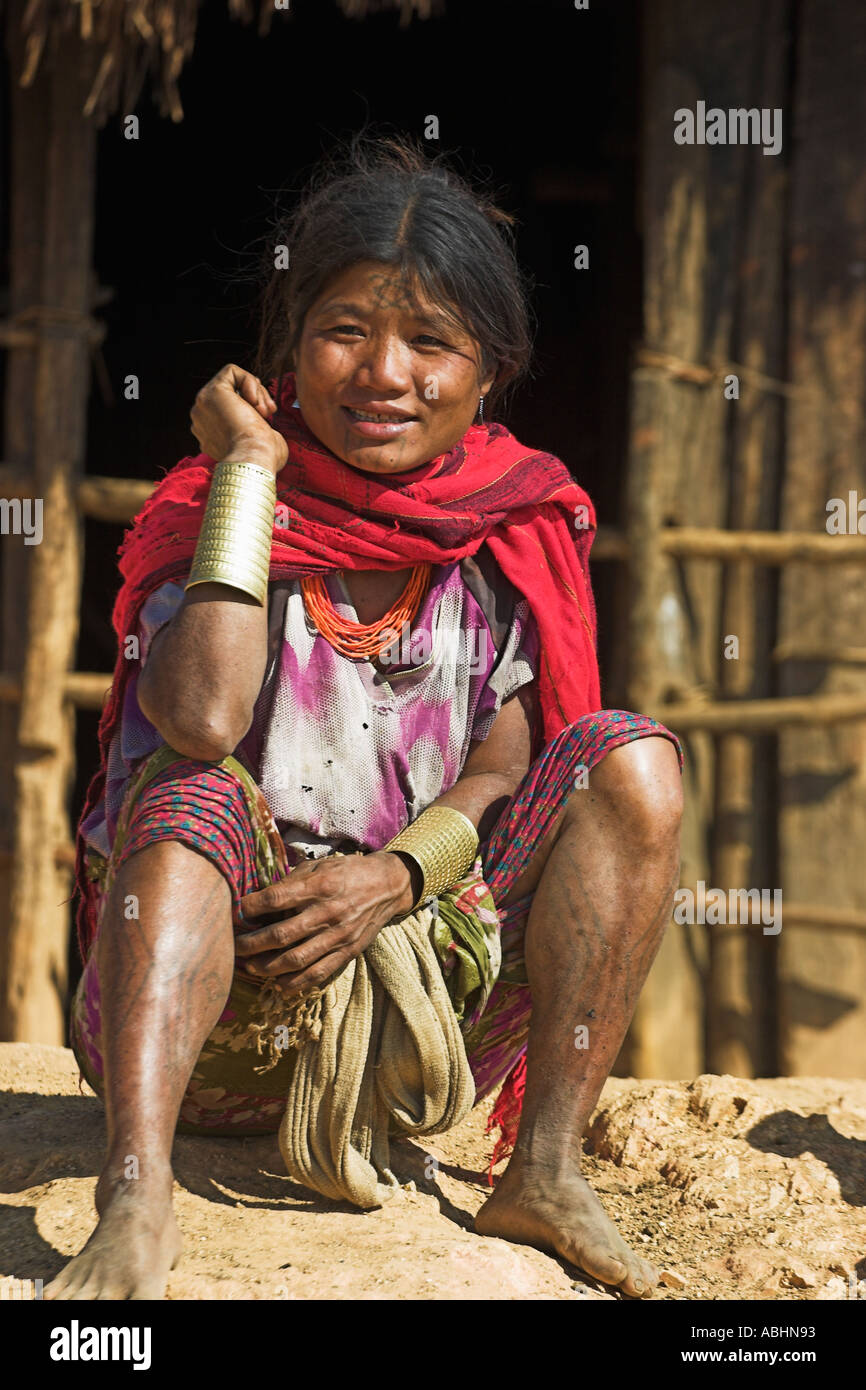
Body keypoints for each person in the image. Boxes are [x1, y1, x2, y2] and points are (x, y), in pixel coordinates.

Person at [46, 137, 683, 1301]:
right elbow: (198, 717)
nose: (382, 372)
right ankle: (136, 1194)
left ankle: (541, 1168)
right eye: (344, 330)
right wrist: (245, 474)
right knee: (186, 791)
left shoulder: (505, 527)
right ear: (289, 347)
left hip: (403, 1028)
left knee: (629, 760)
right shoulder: (223, 507)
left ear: (487, 371)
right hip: (227, 1022)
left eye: (429, 342)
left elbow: (503, 769)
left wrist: (395, 876)